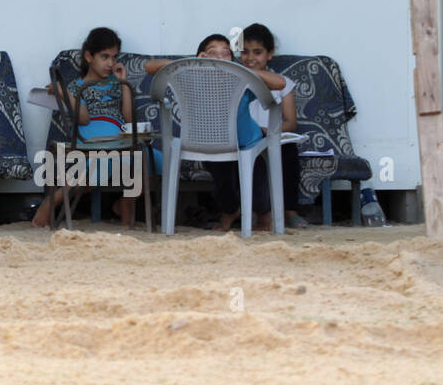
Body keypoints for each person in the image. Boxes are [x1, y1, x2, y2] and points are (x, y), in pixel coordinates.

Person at [144, 34, 290, 231]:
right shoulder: (190, 80)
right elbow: (150, 67)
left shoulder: (241, 81)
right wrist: (192, 65)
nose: (220, 58)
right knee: (223, 186)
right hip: (210, 142)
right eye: (213, 53)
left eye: (226, 54)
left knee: (258, 187)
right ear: (201, 57)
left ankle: (264, 217)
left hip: (249, 141)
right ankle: (230, 212)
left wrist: (244, 71)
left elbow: (280, 83)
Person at [33, 27, 140, 227]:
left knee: (151, 161)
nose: (110, 63)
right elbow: (82, 118)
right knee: (106, 161)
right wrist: (64, 93)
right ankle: (50, 202)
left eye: (114, 57)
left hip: (117, 134)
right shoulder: (75, 86)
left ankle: (125, 203)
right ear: (89, 56)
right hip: (90, 134)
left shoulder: (116, 84)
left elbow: (129, 119)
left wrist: (124, 84)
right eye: (104, 56)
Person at [238, 23, 307, 229]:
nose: (251, 58)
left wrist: (269, 131)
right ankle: (252, 212)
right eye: (245, 52)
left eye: (257, 52)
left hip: (272, 137)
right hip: (246, 139)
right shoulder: (233, 81)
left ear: (270, 54)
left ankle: (289, 210)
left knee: (288, 152)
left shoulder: (282, 83)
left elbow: (291, 122)